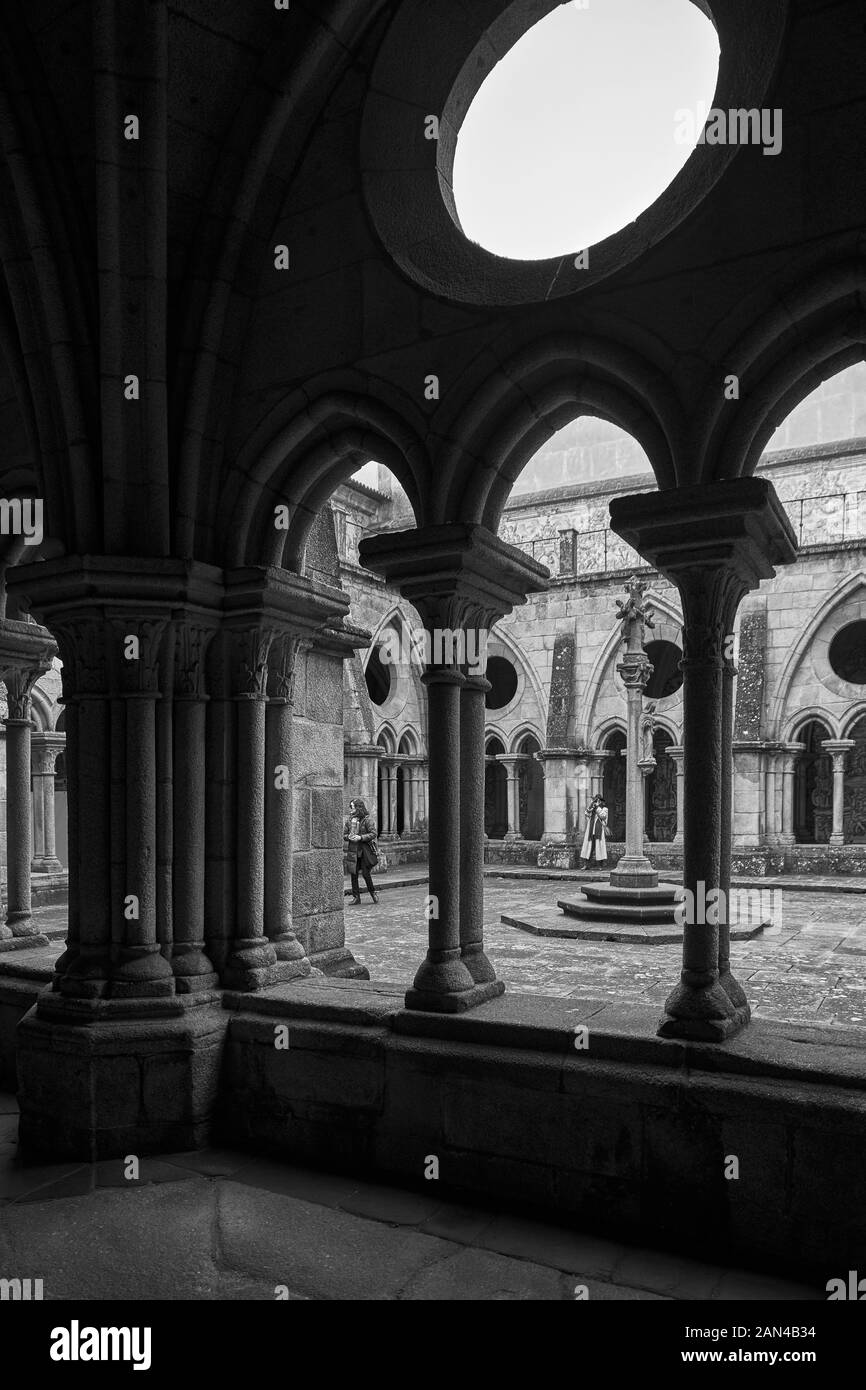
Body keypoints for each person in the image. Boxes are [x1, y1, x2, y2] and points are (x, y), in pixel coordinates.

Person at [344, 797, 379, 904]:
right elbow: (344, 834)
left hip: (364, 852)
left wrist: (361, 837)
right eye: (350, 807)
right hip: (353, 851)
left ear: (358, 808)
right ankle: (356, 897)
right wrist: (348, 837)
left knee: (365, 873)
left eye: (352, 807)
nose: (351, 810)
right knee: (353, 874)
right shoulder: (349, 820)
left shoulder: (367, 820)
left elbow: (373, 833)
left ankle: (373, 893)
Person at [579, 794, 608, 869]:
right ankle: (586, 865)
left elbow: (603, 816)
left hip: (599, 830)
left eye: (598, 800)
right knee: (589, 847)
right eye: (596, 800)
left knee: (599, 847)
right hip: (591, 830)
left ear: (601, 801)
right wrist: (592, 805)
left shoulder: (604, 809)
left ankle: (600, 865)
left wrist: (597, 807)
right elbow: (586, 813)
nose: (597, 801)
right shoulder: (593, 808)